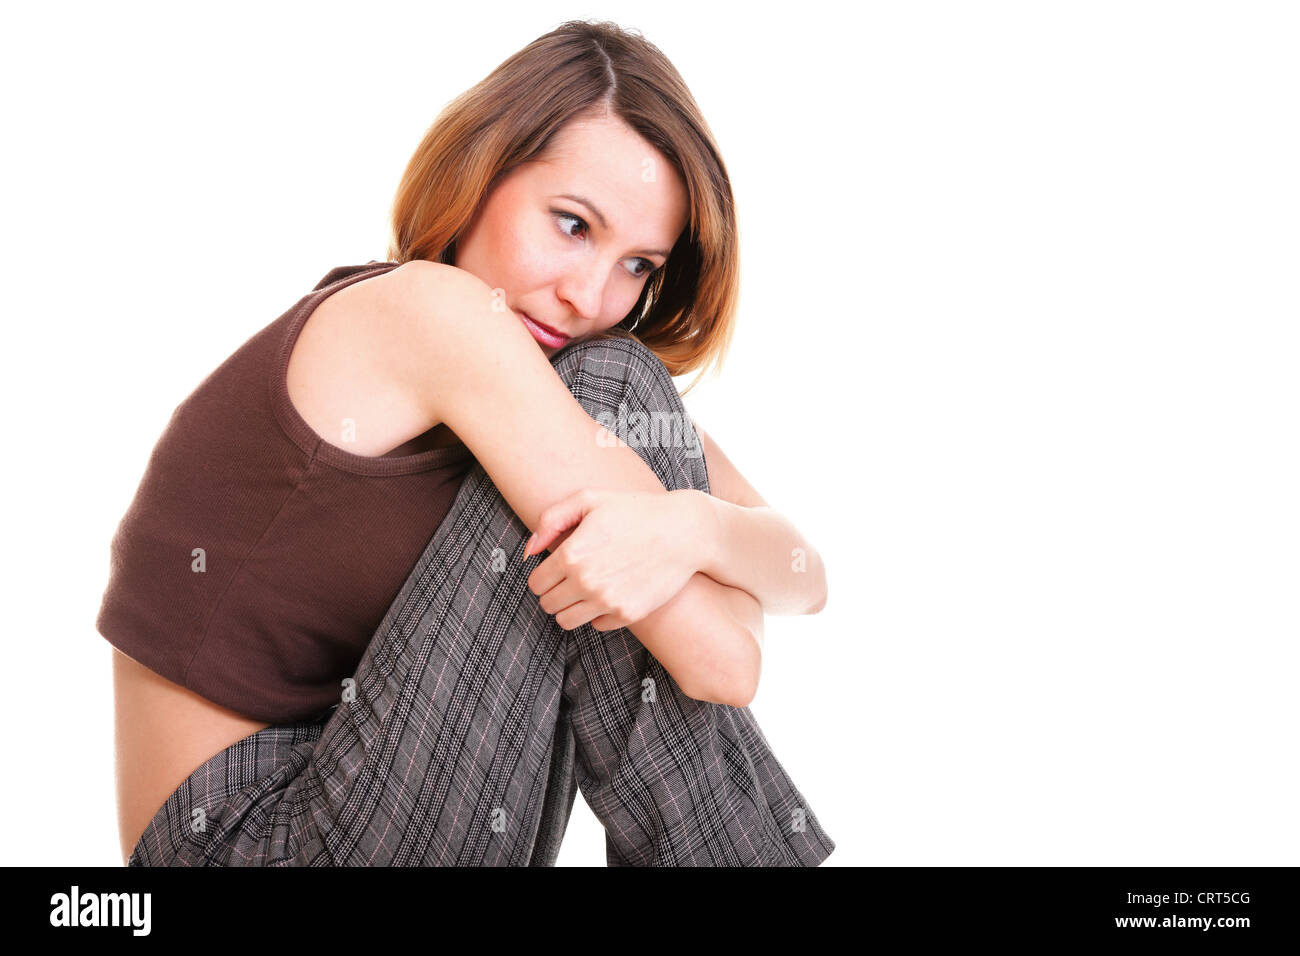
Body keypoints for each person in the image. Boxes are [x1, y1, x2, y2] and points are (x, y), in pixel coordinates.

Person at [100, 18, 833, 866]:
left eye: (639, 265)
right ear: (483, 173)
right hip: (251, 839)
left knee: (625, 427)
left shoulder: (546, 387)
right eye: (571, 224)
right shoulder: (433, 317)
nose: (588, 294)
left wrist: (694, 531)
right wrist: (690, 551)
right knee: (621, 387)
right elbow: (726, 664)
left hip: (381, 790)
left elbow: (803, 572)